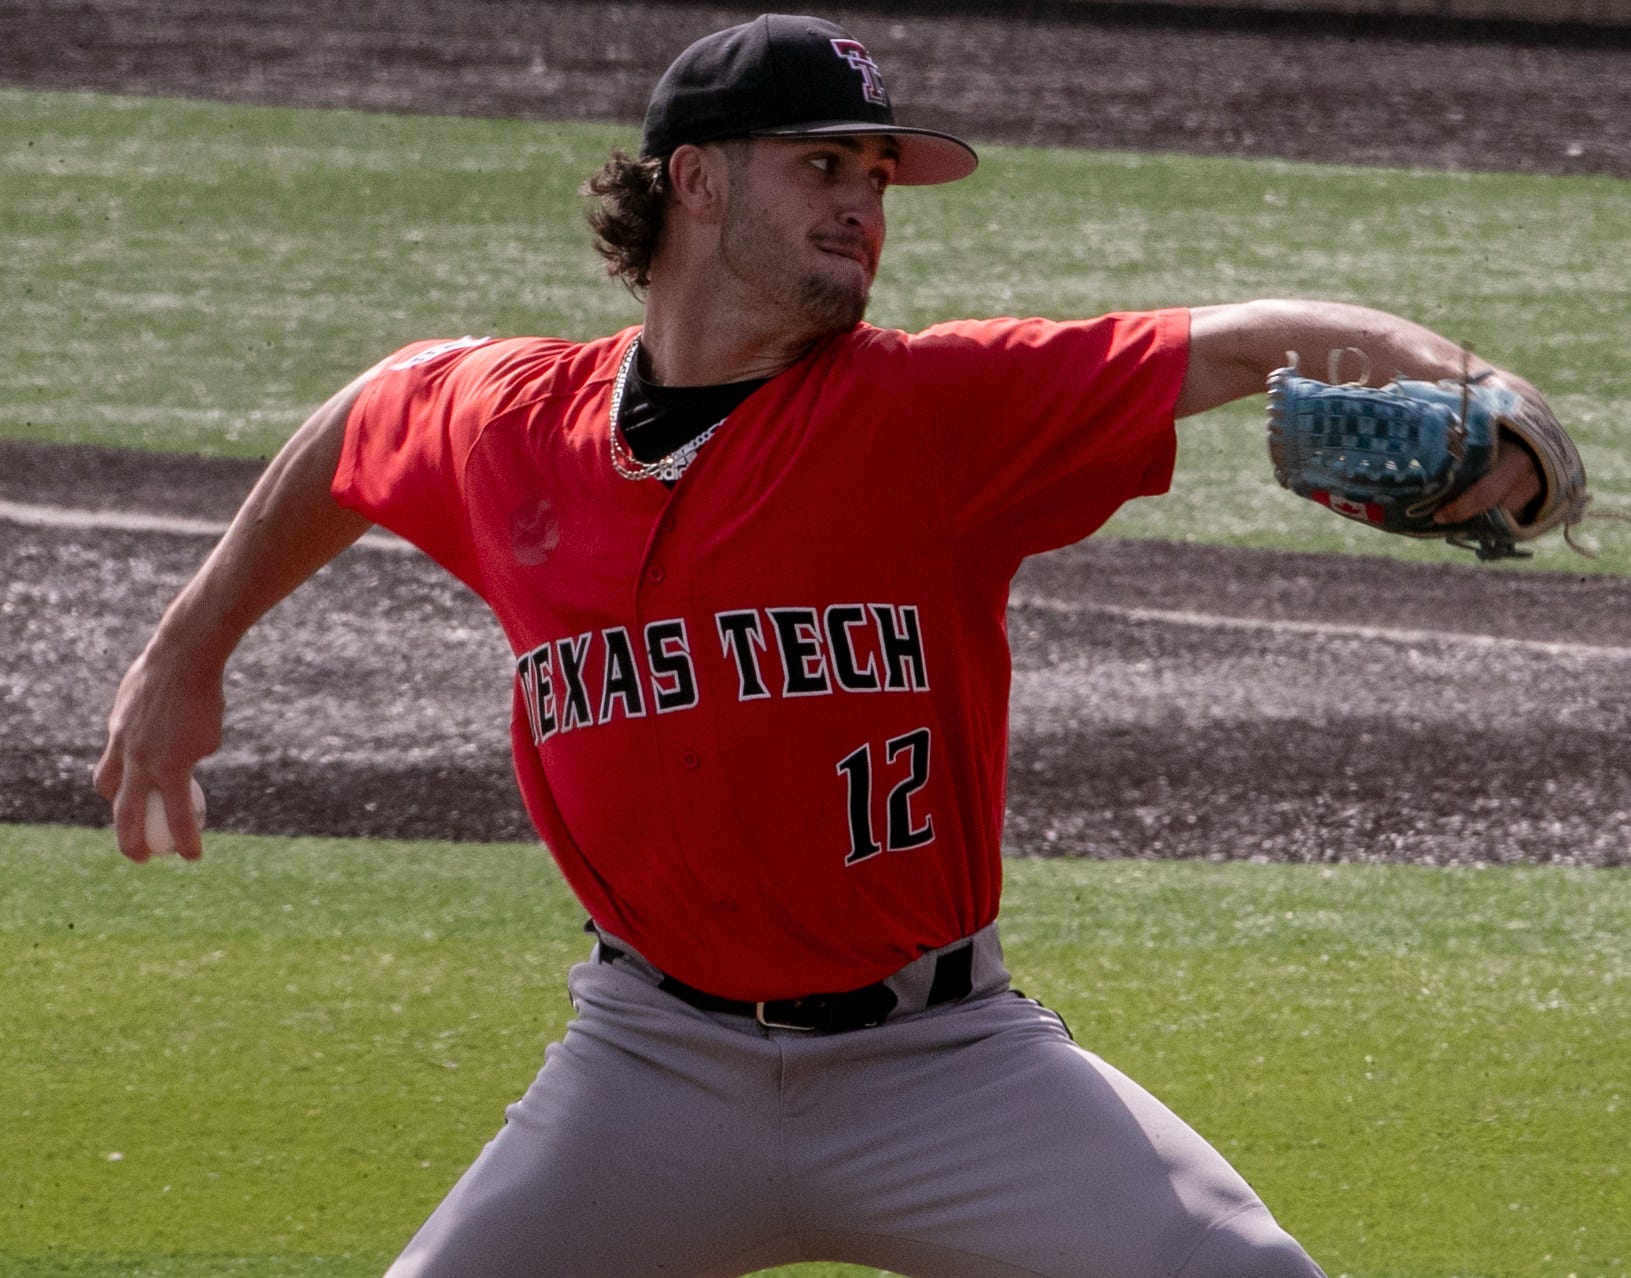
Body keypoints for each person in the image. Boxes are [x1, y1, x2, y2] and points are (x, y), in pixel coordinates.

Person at [95, 14, 1547, 1278]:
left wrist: (1495, 403)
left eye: (876, 178)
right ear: (696, 179)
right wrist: (186, 654)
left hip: (942, 1068)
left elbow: (1247, 338)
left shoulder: (931, 413)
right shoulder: (513, 425)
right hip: (649, 1070)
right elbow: (365, 418)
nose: (863, 204)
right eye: (824, 164)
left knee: (1240, 1272)